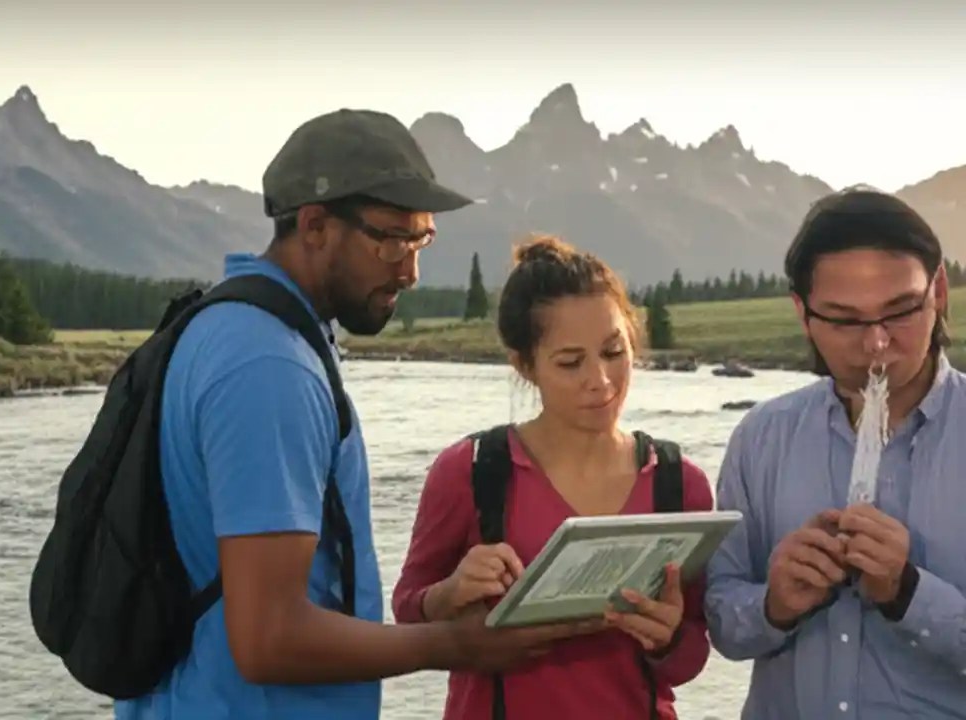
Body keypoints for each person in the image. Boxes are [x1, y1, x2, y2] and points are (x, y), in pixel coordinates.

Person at [113, 109, 572, 720]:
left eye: (421, 240)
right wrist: (455, 644)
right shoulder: (268, 366)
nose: (409, 269)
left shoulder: (238, 329)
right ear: (314, 225)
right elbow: (268, 638)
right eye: (391, 240)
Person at [391, 234, 714, 720]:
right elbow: (408, 612)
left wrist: (666, 638)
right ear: (525, 365)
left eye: (613, 351)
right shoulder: (471, 470)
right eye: (570, 362)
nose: (600, 380)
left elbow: (691, 656)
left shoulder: (679, 483)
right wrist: (453, 590)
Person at [703, 186, 966, 719]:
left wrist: (908, 592)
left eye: (900, 311)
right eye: (845, 320)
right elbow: (723, 624)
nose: (876, 344)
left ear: (938, 288)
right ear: (802, 313)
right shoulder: (761, 437)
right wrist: (773, 606)